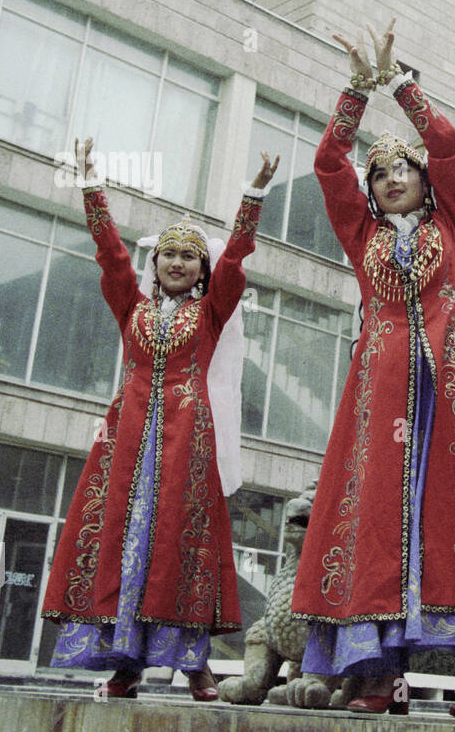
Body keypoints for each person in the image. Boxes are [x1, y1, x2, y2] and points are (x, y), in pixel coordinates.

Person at [290, 19, 455, 719]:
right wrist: (355, 95)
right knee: (375, 523)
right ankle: (377, 674)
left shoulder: (452, 226)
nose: (392, 177)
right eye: (381, 173)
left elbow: (452, 147)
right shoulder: (360, 234)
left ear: (426, 183)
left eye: (404, 168)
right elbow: (328, 164)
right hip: (380, 390)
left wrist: (400, 83)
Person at [42, 137, 279, 701]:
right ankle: (125, 665)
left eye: (189, 255)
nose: (176, 262)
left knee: (181, 544)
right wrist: (89, 184)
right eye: (167, 254)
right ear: (155, 264)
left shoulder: (213, 309)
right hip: (126, 439)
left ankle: (193, 665)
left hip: (188, 442)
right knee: (124, 541)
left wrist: (253, 195)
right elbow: (109, 253)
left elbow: (238, 256)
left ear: (202, 270)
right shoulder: (132, 305)